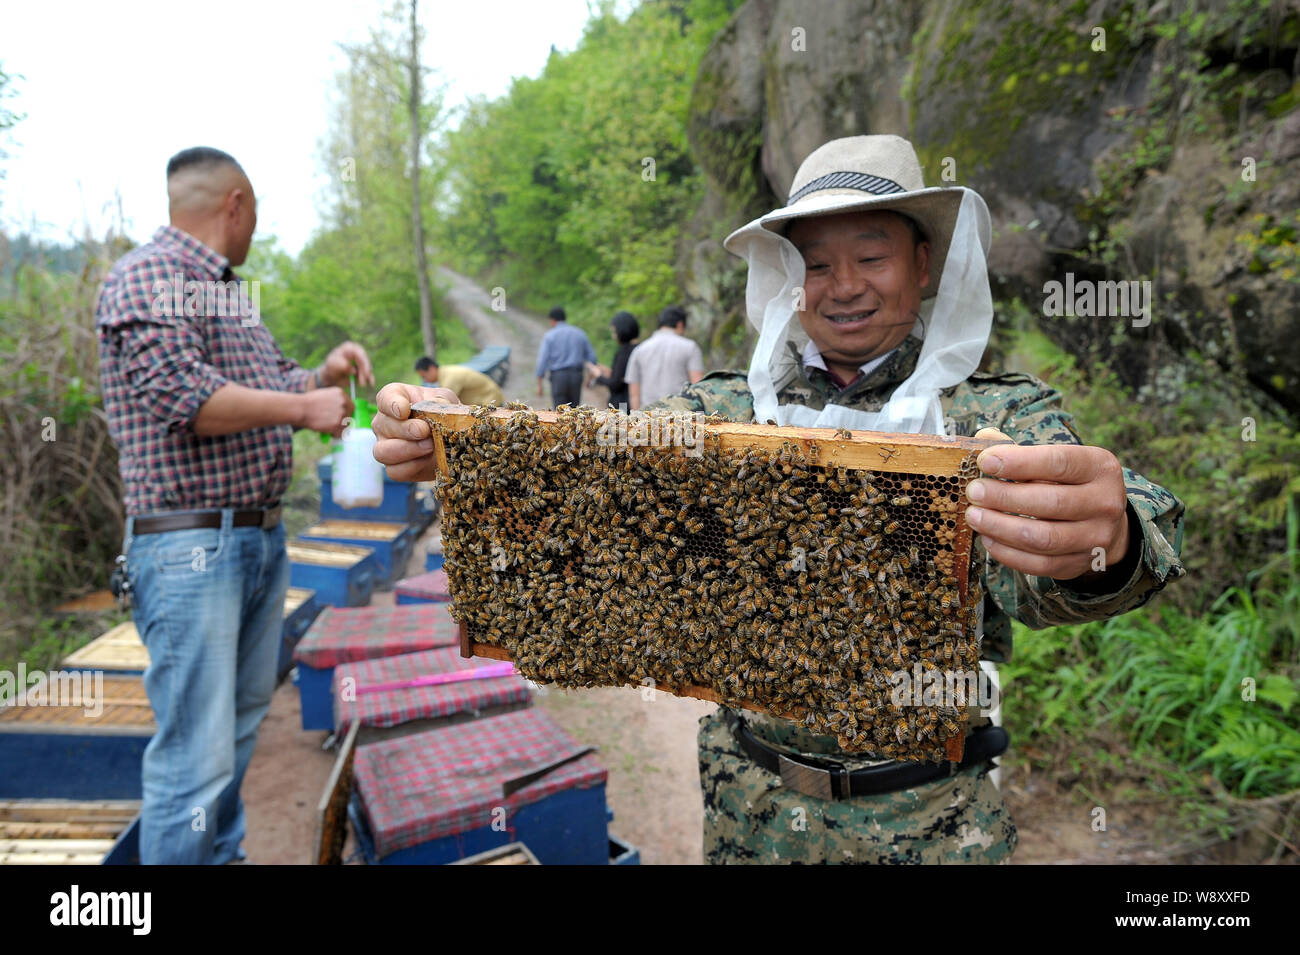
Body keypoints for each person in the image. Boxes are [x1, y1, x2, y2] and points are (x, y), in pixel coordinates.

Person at [368, 135, 1186, 864]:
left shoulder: (995, 416)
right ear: (789, 278)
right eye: (817, 264)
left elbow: (1085, 557)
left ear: (923, 264)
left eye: (872, 255)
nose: (844, 286)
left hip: (928, 822)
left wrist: (1106, 539)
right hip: (747, 807)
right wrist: (454, 445)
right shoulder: (722, 411)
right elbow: (587, 480)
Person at [95, 146, 372, 865]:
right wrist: (302, 403)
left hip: (253, 541)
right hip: (189, 548)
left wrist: (322, 374)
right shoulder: (146, 275)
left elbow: (278, 382)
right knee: (195, 758)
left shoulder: (226, 292)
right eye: (255, 212)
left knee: (235, 736)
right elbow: (185, 398)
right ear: (236, 203)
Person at [624, 305, 704, 409]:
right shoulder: (690, 347)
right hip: (680, 416)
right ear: (680, 324)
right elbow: (697, 386)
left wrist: (636, 420)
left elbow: (634, 395)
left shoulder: (639, 350)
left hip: (649, 417)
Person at [534, 305, 597, 409]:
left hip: (558, 378)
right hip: (576, 376)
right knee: (574, 412)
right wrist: (590, 378)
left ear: (553, 320)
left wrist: (539, 384)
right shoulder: (580, 333)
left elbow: (542, 360)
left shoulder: (550, 336)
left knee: (559, 413)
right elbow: (592, 357)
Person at [584, 310, 640, 411]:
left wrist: (598, 375)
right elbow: (623, 376)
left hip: (623, 404)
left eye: (615, 332)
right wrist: (608, 371)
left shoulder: (624, 352)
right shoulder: (638, 348)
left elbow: (615, 384)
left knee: (621, 426)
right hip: (635, 401)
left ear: (622, 331)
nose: (614, 336)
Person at [415, 356, 504, 407]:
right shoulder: (445, 372)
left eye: (424, 376)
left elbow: (444, 404)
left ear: (431, 369)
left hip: (490, 399)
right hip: (485, 399)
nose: (425, 380)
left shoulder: (449, 378)